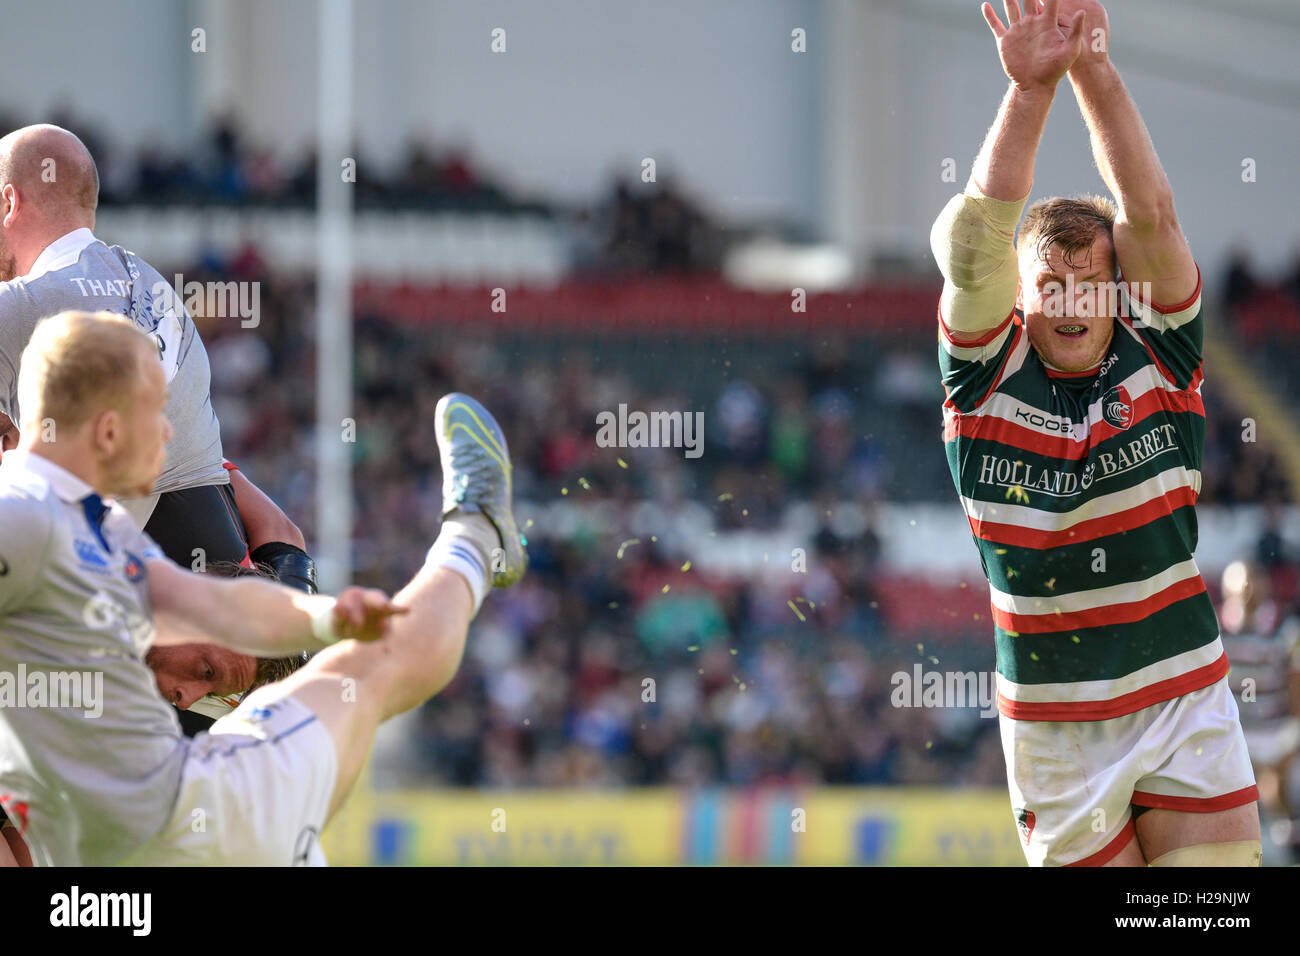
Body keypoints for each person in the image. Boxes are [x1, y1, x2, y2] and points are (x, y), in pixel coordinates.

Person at [0, 310, 527, 865]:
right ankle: (476, 535)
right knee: (376, 668)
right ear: (109, 429)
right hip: (194, 826)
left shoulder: (98, 528)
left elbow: (216, 603)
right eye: (156, 412)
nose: (170, 432)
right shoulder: (26, 518)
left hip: (125, 845)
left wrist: (324, 620)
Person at [931, 0, 1259, 865]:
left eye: (1092, 283)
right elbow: (976, 243)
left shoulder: (1163, 349)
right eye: (1052, 285)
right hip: (1057, 733)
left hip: (1184, 695)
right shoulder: (981, 378)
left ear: (1120, 293)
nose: (1073, 302)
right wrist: (1030, 90)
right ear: (1020, 298)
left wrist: (1095, 68)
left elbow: (1150, 214)